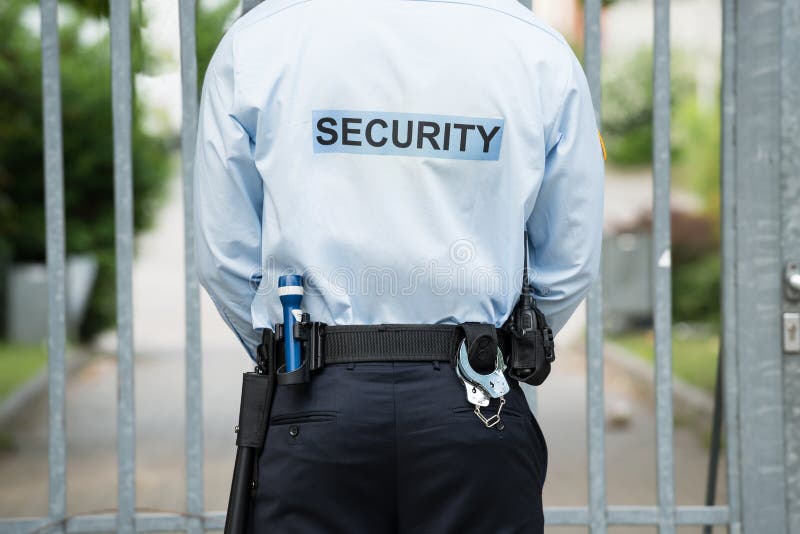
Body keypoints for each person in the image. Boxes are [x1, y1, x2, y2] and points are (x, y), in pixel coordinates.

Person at [194, 0, 604, 532]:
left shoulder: (258, 42)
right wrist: (501, 347)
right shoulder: (537, 50)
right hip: (476, 397)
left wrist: (292, 352)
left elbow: (225, 256)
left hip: (311, 396)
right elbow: (570, 258)